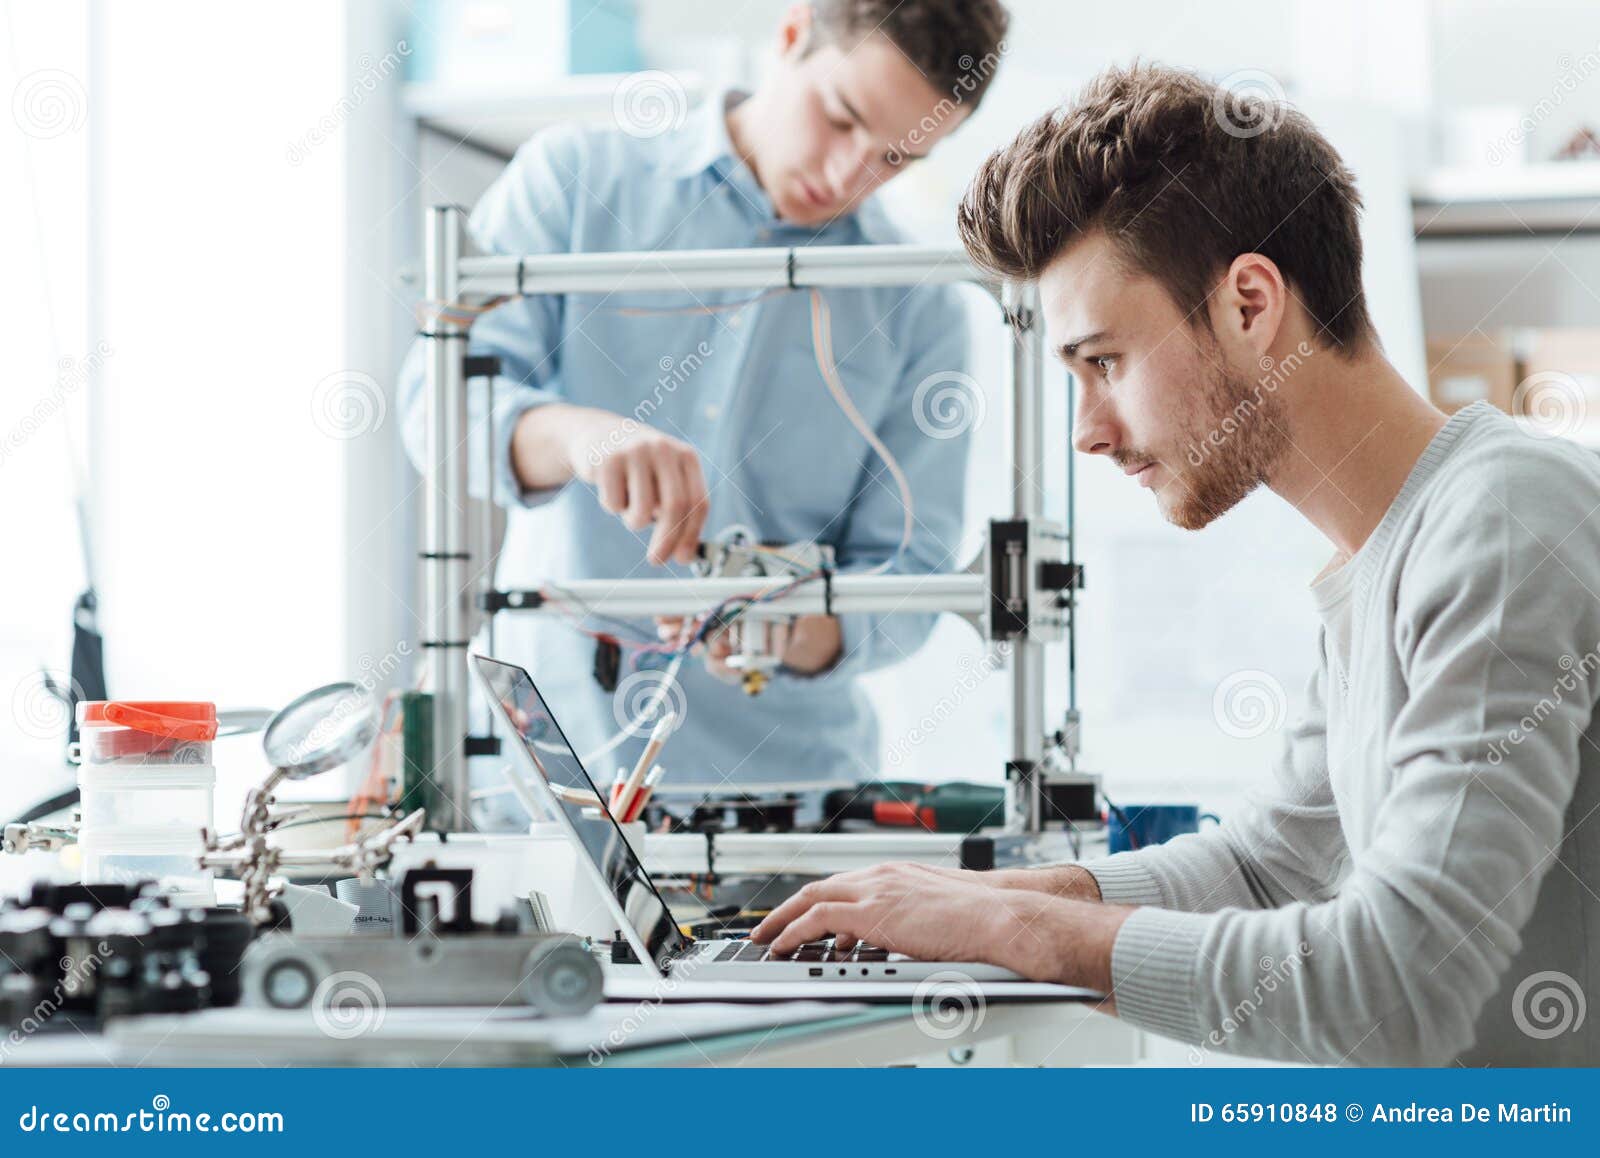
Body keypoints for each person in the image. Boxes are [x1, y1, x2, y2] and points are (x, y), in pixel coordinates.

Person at [752, 62, 1600, 1067]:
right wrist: (980, 897)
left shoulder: (1503, 519)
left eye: (1103, 362)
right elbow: (1269, 864)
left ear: (1249, 305)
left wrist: (1017, 935)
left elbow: (1399, 985)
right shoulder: (1381, 550)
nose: (1087, 432)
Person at [396, 1, 1010, 818]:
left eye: (895, 159)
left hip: (784, 809)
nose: (846, 176)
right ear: (790, 36)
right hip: (542, 781)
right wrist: (580, 436)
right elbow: (437, 409)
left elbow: (914, 574)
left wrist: (787, 630)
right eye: (839, 117)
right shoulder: (575, 182)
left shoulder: (917, 301)